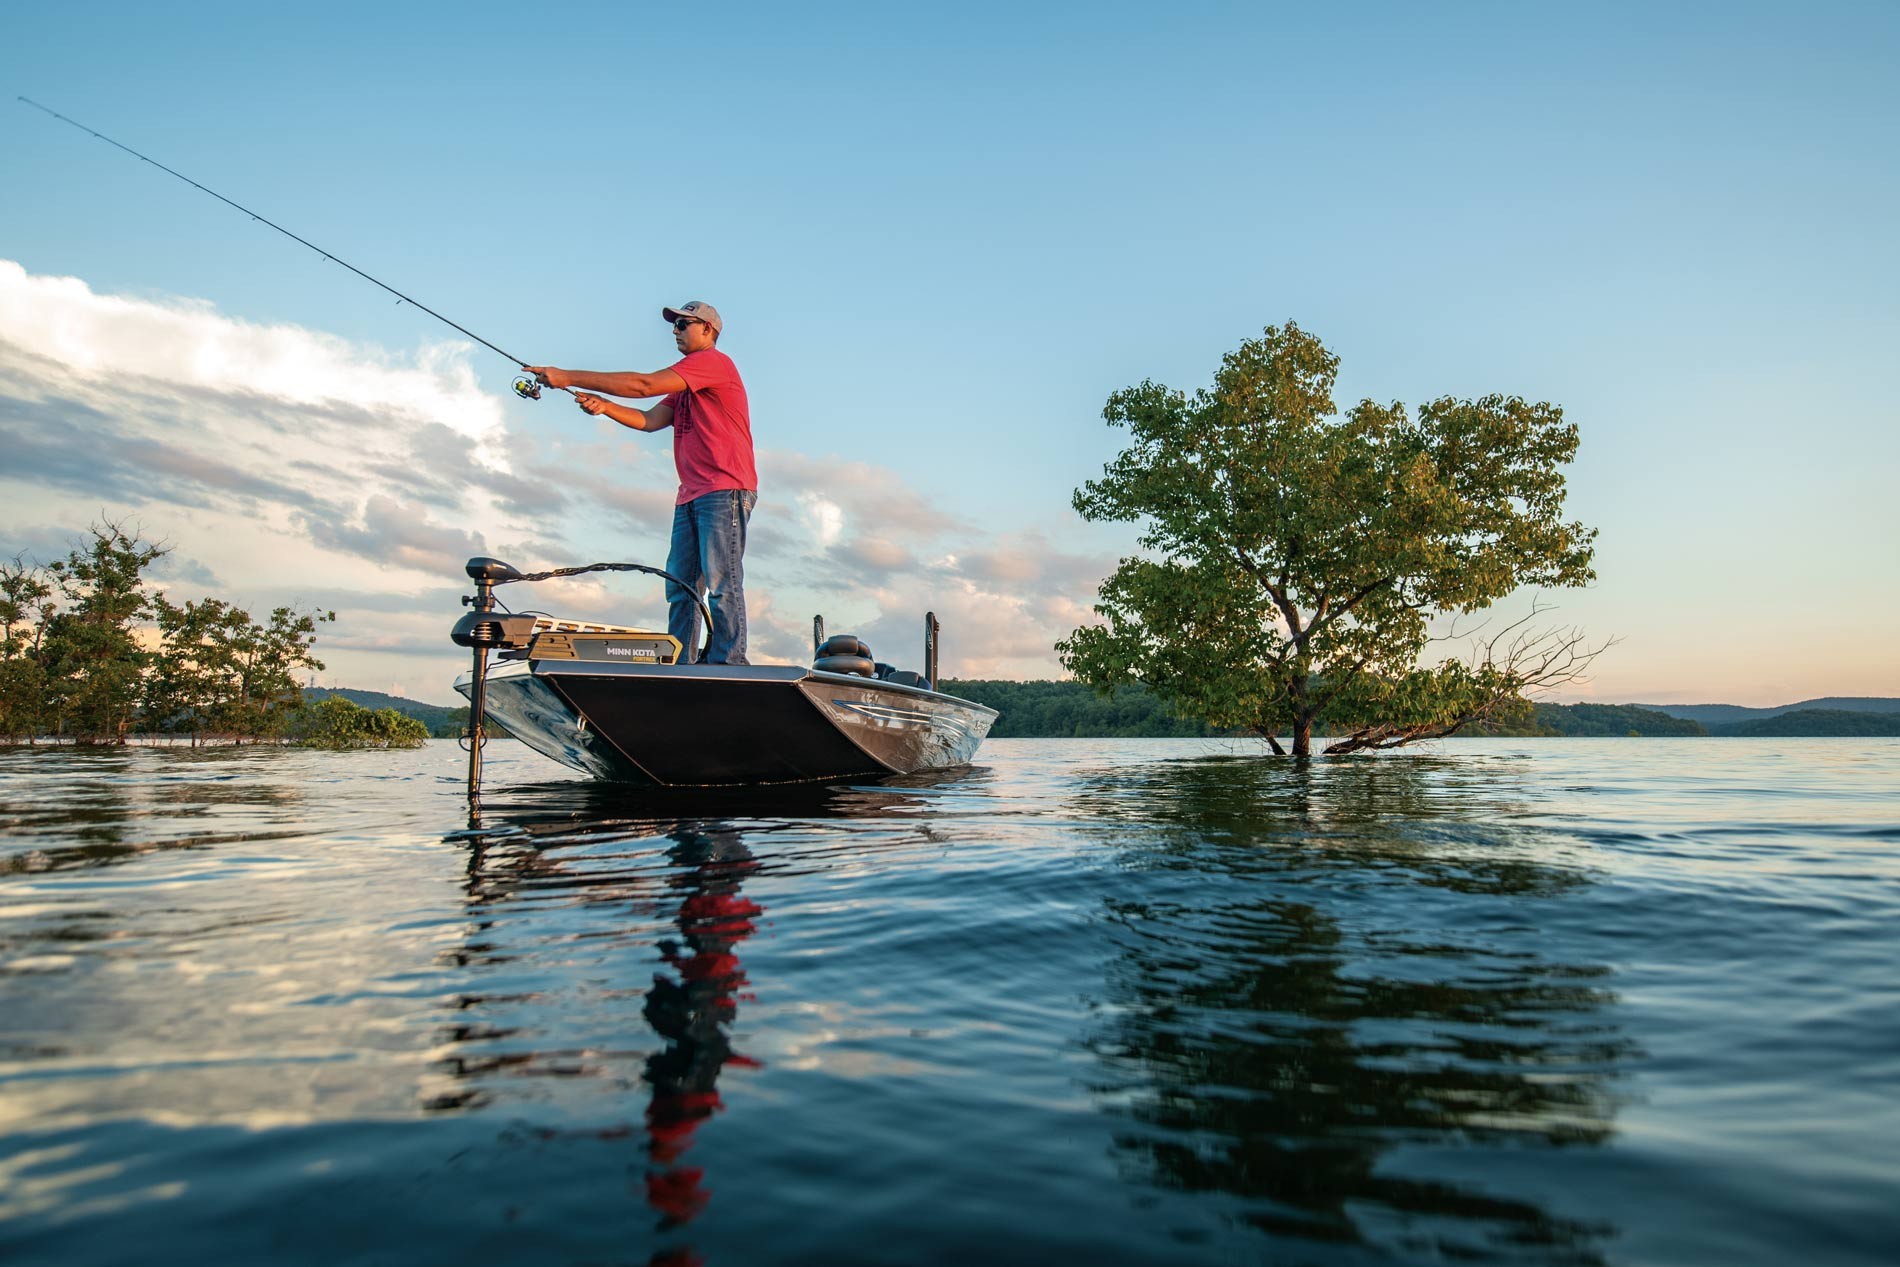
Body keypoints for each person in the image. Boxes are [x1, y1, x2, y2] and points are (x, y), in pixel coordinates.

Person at [526, 302, 757, 664]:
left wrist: (568, 376)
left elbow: (642, 385)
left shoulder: (713, 363)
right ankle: (680, 663)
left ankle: (729, 664)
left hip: (724, 488)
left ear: (708, 330)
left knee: (721, 582)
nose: (675, 330)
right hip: (690, 494)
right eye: (674, 325)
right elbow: (649, 420)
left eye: (683, 323)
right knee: (681, 587)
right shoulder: (685, 385)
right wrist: (605, 406)